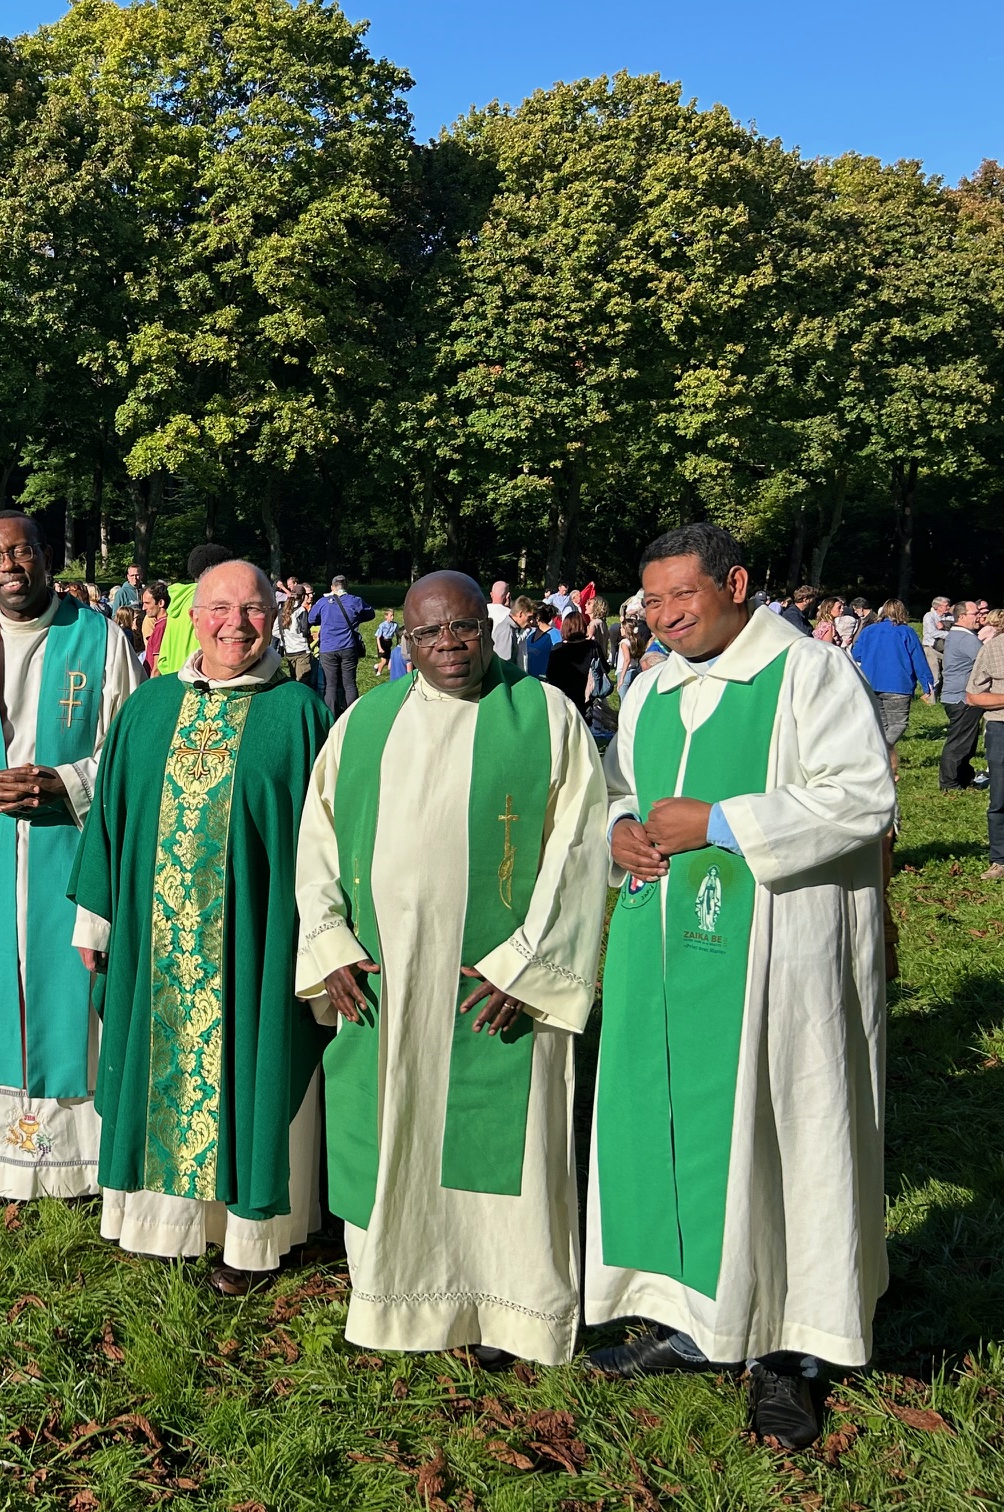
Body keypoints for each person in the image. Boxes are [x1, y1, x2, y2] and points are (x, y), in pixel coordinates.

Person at [590, 523, 896, 1450]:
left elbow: (863, 797)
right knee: (677, 1125)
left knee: (782, 1135)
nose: (669, 617)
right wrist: (621, 831)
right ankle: (700, 1319)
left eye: (686, 596)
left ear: (738, 583)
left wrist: (721, 819)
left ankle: (790, 1351)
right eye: (654, 604)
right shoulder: (649, 688)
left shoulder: (807, 675)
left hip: (778, 959)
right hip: (664, 954)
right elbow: (619, 790)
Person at [298, 571, 608, 1366]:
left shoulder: (544, 716)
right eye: (428, 634)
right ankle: (391, 1298)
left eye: (464, 629)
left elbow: (579, 846)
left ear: (491, 627)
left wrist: (525, 965)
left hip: (491, 980)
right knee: (390, 1127)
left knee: (495, 1144)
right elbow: (319, 841)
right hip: (385, 977)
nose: (449, 648)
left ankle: (504, 1310)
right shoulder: (366, 720)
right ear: (403, 640)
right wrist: (330, 943)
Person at [71, 559, 333, 1293]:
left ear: (276, 617)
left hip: (252, 946)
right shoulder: (150, 707)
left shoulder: (301, 714)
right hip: (152, 943)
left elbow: (325, 844)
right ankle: (161, 1225)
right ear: (194, 614)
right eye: (220, 608)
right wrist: (97, 922)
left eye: (254, 610)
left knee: (253, 1068)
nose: (236, 625)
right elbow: (112, 822)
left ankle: (249, 1239)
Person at [0, 512, 143, 1200]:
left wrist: (68, 783)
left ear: (46, 557)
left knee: (69, 987)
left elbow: (129, 749)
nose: (9, 565)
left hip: (70, 847)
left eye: (21, 550)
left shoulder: (100, 640)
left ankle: (75, 1158)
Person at [850, 600, 932, 758]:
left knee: (882, 724)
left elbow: (856, 654)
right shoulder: (906, 632)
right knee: (898, 723)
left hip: (871, 682)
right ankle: (878, 753)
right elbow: (918, 659)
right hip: (897, 684)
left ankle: (878, 754)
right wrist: (927, 684)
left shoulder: (869, 630)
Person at [155, 544, 232, 678]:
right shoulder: (212, 601)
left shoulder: (177, 601)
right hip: (201, 681)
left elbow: (163, 658)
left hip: (174, 680)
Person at [966, 612, 1004, 881]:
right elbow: (973, 695)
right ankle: (999, 860)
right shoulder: (994, 648)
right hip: (1001, 727)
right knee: (1000, 797)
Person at [938, 601, 987, 792]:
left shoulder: (957, 635)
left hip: (956, 696)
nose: (979, 616)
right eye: (975, 613)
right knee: (959, 743)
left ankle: (964, 777)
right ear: (962, 617)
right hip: (963, 698)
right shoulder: (966, 639)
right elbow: (986, 661)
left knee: (967, 741)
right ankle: (949, 783)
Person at [310, 574, 374, 717]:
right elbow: (371, 614)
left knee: (330, 685)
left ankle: (331, 717)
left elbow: (311, 618)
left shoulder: (323, 602)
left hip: (328, 648)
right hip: (348, 646)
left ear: (332, 587)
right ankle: (352, 715)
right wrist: (355, 620)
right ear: (347, 587)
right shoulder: (355, 601)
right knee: (349, 683)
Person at [544, 610, 600, 716]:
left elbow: (550, 674)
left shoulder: (558, 649)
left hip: (562, 695)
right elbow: (603, 668)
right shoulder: (592, 646)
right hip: (584, 694)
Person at [921, 595, 953, 690]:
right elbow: (933, 633)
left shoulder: (950, 617)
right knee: (935, 675)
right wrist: (950, 634)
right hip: (931, 648)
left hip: (946, 648)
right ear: (938, 607)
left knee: (947, 673)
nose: (949, 607)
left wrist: (944, 628)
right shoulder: (929, 616)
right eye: (946, 605)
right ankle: (931, 699)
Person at [371, 605, 400, 679]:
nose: (392, 617)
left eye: (393, 615)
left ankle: (377, 666)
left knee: (387, 660)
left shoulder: (395, 625)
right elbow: (378, 637)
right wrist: (380, 648)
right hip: (382, 642)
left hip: (388, 643)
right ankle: (378, 672)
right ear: (386, 616)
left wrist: (397, 642)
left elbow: (398, 634)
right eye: (390, 616)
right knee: (384, 660)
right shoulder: (382, 625)